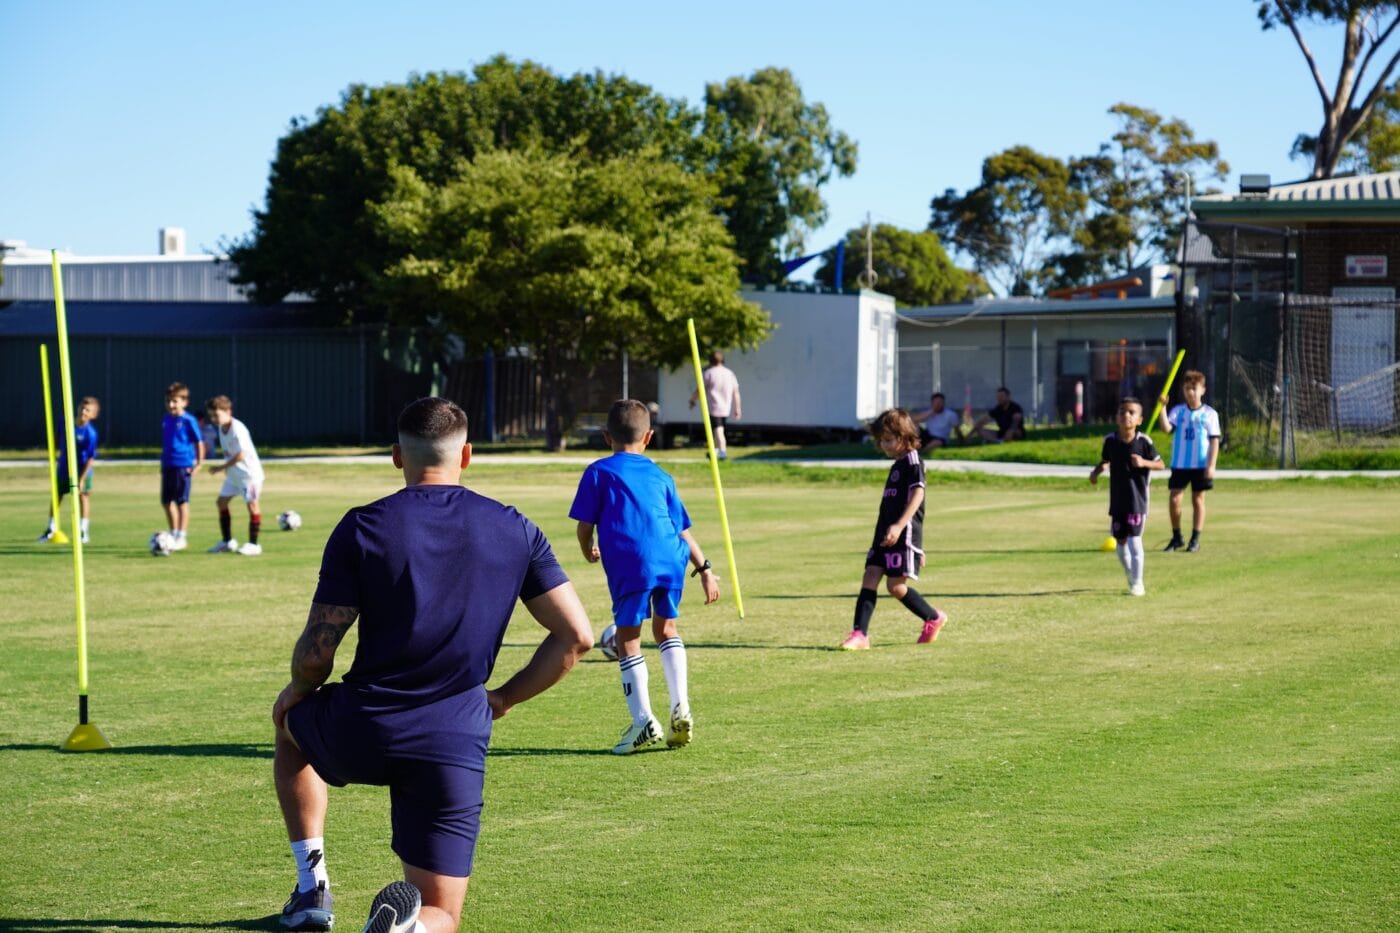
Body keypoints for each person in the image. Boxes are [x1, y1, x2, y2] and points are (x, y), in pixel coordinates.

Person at [272, 397, 593, 933]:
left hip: (364, 724)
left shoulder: (363, 526)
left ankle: (312, 892)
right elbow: (576, 637)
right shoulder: (516, 529)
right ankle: (411, 928)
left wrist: (297, 694)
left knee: (290, 732)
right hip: (454, 736)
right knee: (441, 912)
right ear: (467, 454)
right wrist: (504, 698)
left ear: (397, 456)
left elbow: (316, 654)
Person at [570, 399, 720, 755]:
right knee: (667, 630)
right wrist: (706, 570)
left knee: (628, 639)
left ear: (606, 436)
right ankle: (681, 706)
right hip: (672, 558)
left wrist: (586, 548)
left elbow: (584, 525)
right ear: (649, 437)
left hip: (632, 561)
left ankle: (643, 722)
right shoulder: (661, 475)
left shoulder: (599, 472)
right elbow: (681, 529)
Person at [839, 408, 949, 650]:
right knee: (870, 576)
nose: (884, 445)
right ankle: (860, 634)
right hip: (883, 534)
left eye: (888, 439)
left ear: (904, 435)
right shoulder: (897, 465)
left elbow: (918, 494)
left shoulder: (913, 461)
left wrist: (901, 528)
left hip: (903, 533)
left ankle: (933, 617)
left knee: (895, 587)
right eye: (881, 440)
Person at [1089, 397, 1164, 596]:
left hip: (1137, 501)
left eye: (1131, 412)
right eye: (1122, 412)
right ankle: (1131, 574)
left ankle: (1138, 583)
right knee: (1120, 545)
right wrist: (1096, 472)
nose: (1126, 416)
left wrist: (1143, 463)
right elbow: (1105, 460)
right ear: (1117, 417)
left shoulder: (1144, 442)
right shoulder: (1110, 441)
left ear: (1139, 419)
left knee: (1134, 541)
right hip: (1118, 501)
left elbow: (1161, 464)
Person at [1156, 370, 1221, 553]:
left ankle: (1195, 538)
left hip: (1200, 464)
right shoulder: (1178, 412)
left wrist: (1211, 465)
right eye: (1187, 389)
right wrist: (1162, 408)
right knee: (1175, 499)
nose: (1190, 392)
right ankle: (1177, 537)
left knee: (1198, 500)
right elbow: (1166, 428)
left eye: (1194, 388)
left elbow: (1214, 440)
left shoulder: (1209, 414)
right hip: (1180, 464)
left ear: (1202, 390)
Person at [205, 395, 267, 556]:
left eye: (216, 415)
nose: (213, 419)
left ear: (228, 411)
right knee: (221, 503)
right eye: (211, 415)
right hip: (234, 476)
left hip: (249, 475)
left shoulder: (238, 428)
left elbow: (242, 454)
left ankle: (254, 545)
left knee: (252, 506)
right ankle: (227, 542)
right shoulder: (221, 427)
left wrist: (221, 467)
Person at [38, 396, 100, 544]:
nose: (83, 412)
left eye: (87, 410)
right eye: (82, 408)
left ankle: (83, 531)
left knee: (82, 497)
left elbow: (91, 458)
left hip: (82, 469)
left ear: (93, 415)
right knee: (57, 496)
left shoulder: (90, 433)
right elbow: (57, 439)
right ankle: (51, 528)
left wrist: (82, 479)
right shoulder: (65, 421)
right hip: (64, 467)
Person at [160, 382, 204, 551]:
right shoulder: (166, 419)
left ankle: (182, 536)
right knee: (166, 501)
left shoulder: (188, 420)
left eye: (175, 401)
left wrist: (199, 462)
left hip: (182, 465)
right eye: (168, 401)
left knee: (182, 501)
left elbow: (198, 441)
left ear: (184, 402)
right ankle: (173, 532)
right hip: (168, 465)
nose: (171, 405)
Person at [688, 350, 741, 460]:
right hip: (726, 407)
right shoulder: (729, 373)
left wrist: (692, 400)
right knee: (717, 430)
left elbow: (700, 390)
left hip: (714, 406)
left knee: (718, 430)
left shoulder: (709, 373)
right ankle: (717, 451)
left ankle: (722, 452)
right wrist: (737, 408)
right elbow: (736, 392)